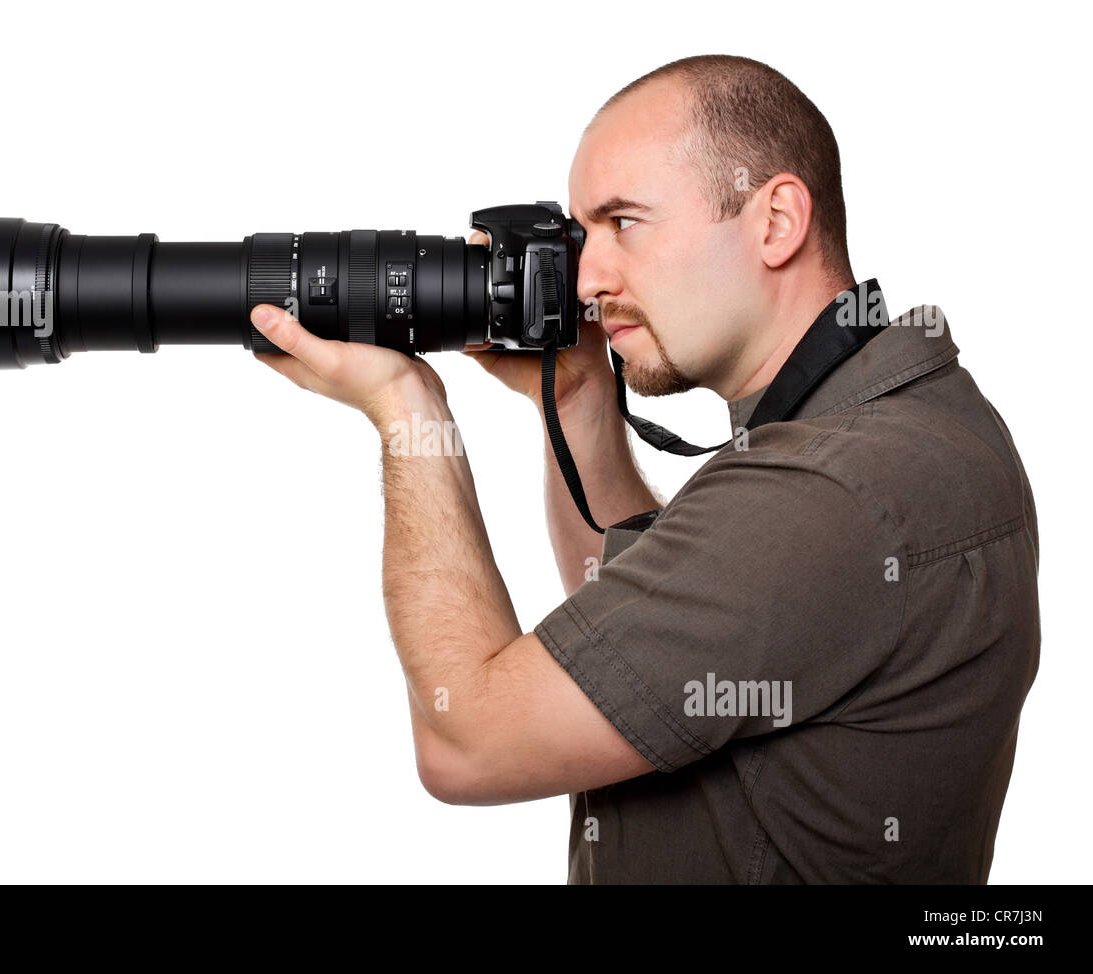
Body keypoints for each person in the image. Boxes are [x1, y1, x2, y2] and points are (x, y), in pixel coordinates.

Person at [247, 54, 1040, 884]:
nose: (589, 278)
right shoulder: (901, 418)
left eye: (625, 223)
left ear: (776, 222)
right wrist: (582, 396)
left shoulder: (831, 490)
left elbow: (466, 744)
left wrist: (408, 408)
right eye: (583, 237)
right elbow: (634, 640)